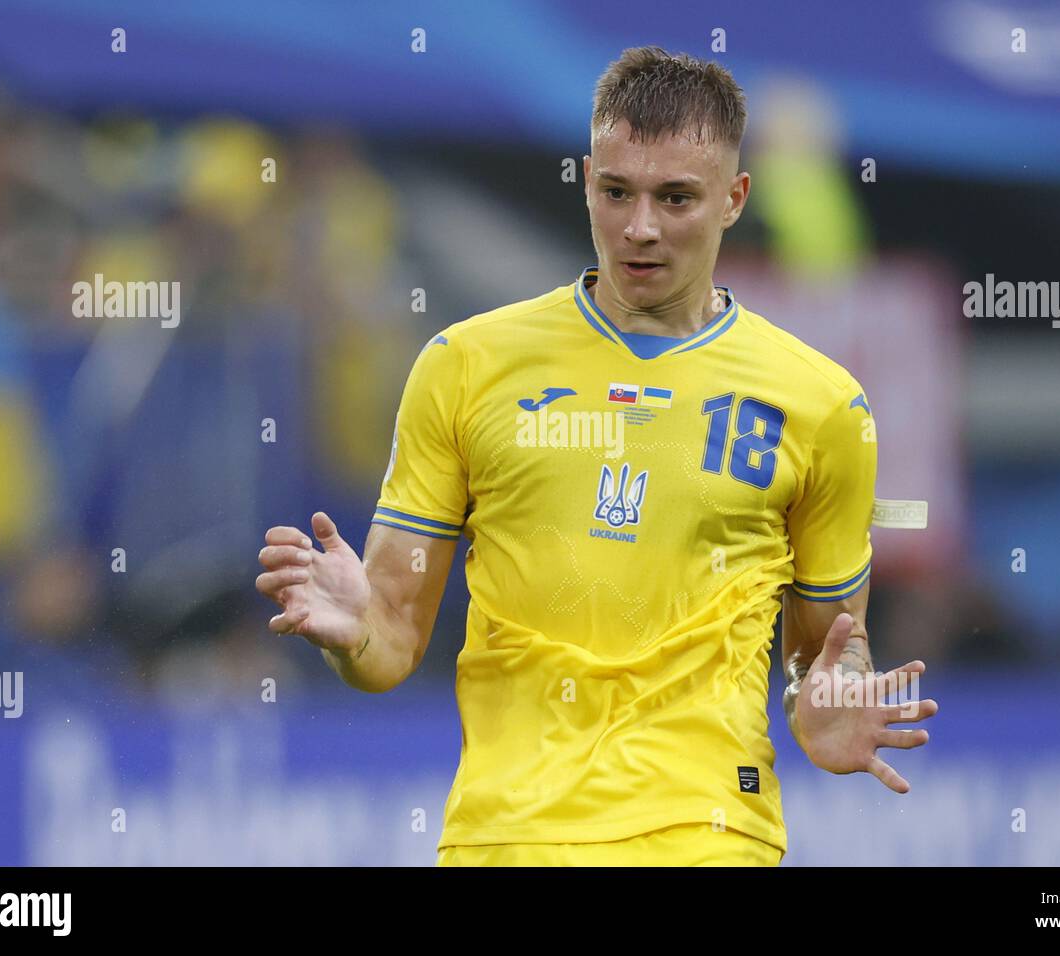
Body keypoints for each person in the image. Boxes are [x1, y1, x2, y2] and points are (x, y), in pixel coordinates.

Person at [256, 46, 937, 867]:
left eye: (675, 198)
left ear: (734, 198)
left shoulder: (821, 405)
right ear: (586, 180)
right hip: (506, 836)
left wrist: (822, 699)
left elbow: (822, 649)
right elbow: (394, 637)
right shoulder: (466, 366)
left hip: (707, 832)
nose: (639, 227)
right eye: (617, 192)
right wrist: (353, 634)